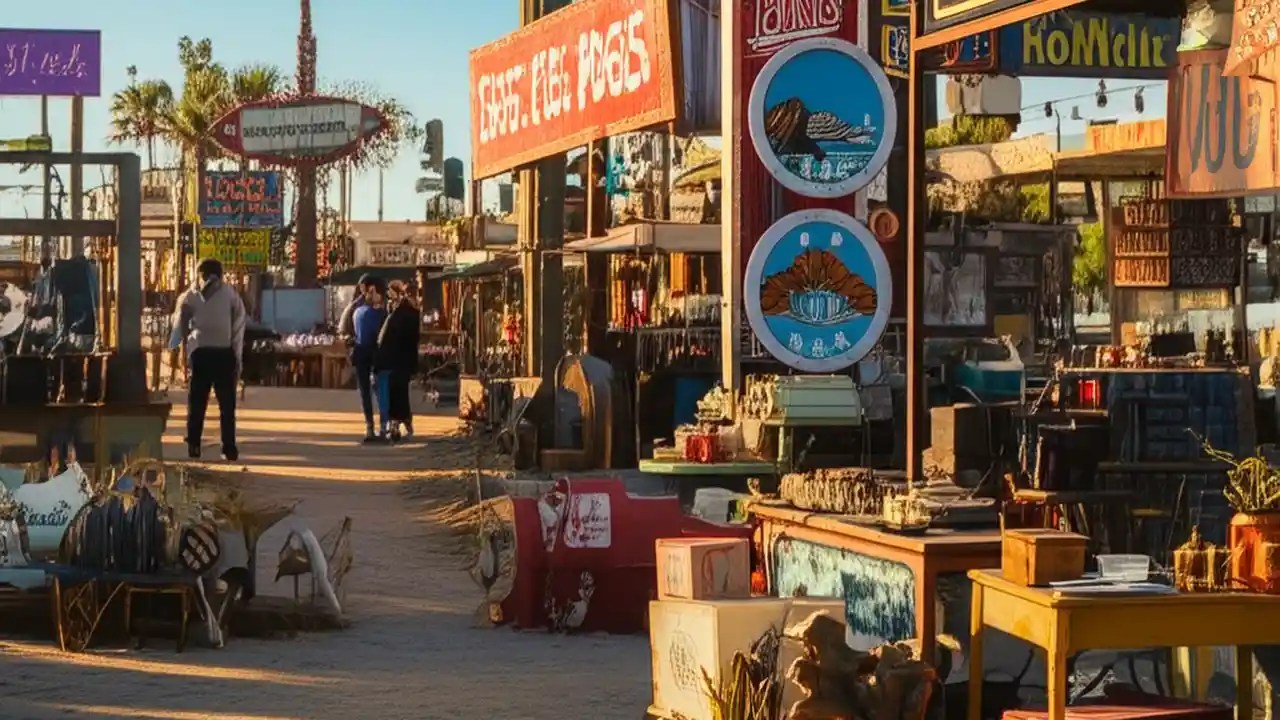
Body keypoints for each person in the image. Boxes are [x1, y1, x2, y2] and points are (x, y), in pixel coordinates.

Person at [174, 258, 246, 461]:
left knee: (197, 402)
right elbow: (239, 328)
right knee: (227, 406)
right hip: (224, 355)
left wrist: (183, 353)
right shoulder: (231, 295)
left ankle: (194, 445)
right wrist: (237, 357)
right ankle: (229, 448)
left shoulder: (190, 296)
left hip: (201, 354)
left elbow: (179, 327)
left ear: (199, 273)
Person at [375, 280, 421, 441]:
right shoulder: (404, 311)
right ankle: (402, 422)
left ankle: (399, 422)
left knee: (398, 391)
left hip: (397, 358)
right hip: (401, 359)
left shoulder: (403, 313)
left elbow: (395, 336)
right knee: (398, 391)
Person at [351, 277, 389, 442]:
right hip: (376, 356)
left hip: (360, 355)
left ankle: (369, 427)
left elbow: (346, 326)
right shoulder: (380, 314)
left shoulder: (357, 312)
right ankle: (383, 427)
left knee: (364, 393)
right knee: (380, 391)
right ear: (373, 291)